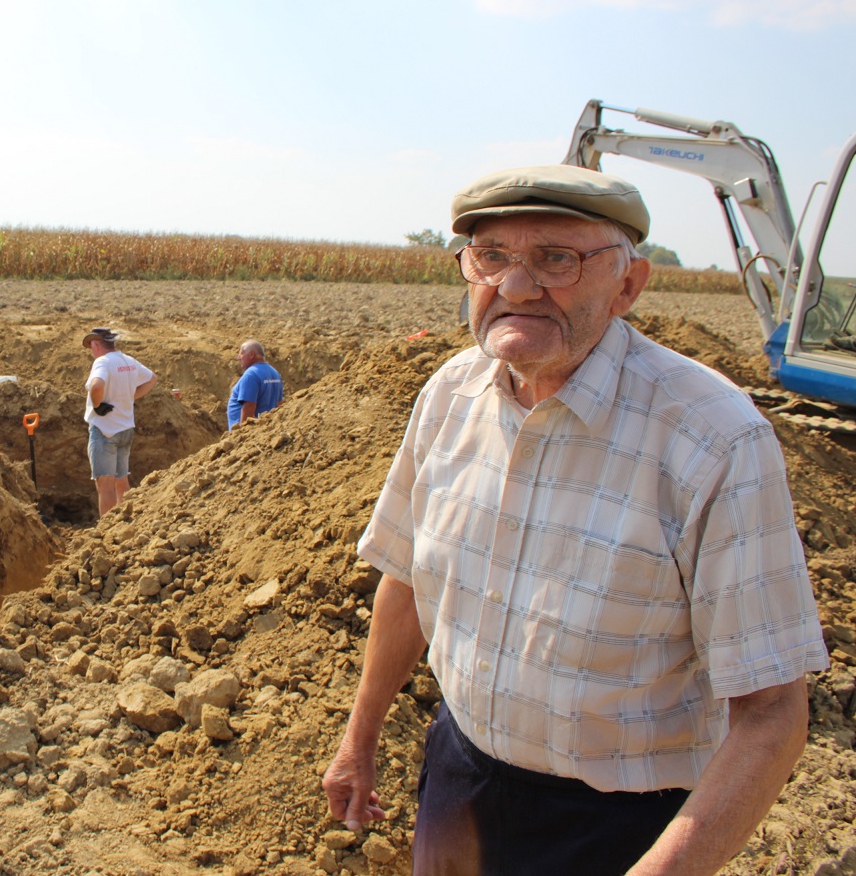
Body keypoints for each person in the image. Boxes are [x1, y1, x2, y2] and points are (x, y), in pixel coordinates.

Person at [322, 165, 828, 875]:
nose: (516, 286)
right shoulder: (447, 395)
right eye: (491, 256)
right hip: (460, 779)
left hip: (617, 824)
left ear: (627, 286)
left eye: (556, 259)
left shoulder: (712, 439)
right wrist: (359, 740)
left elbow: (771, 710)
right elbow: (404, 580)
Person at [82, 327, 156, 516]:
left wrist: (97, 406)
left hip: (105, 430)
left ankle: (108, 531)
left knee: (105, 486)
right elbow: (151, 378)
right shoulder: (128, 361)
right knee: (121, 481)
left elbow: (97, 385)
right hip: (125, 429)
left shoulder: (103, 362)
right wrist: (130, 397)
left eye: (91, 347)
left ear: (96, 345)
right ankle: (126, 524)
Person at [226, 339, 283, 429]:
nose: (239, 357)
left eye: (242, 353)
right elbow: (279, 404)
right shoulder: (274, 373)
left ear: (252, 355)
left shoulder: (251, 374)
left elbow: (249, 406)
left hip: (249, 434)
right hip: (265, 431)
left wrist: (243, 435)